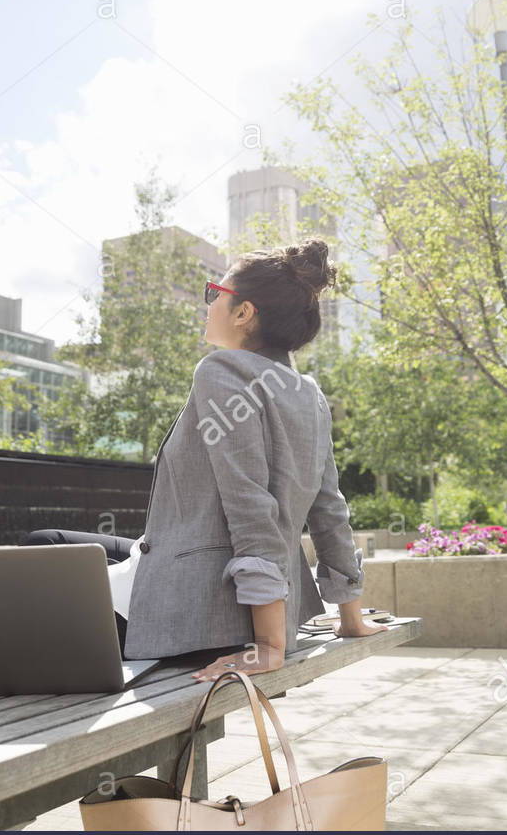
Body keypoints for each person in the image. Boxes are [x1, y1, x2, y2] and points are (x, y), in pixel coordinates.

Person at [21, 237, 386, 683]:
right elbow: (330, 508)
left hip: (202, 617)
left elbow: (252, 507)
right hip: (258, 606)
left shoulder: (223, 371)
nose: (208, 303)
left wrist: (267, 648)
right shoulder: (308, 393)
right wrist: (349, 614)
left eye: (216, 292)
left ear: (243, 312)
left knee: (43, 549)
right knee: (60, 543)